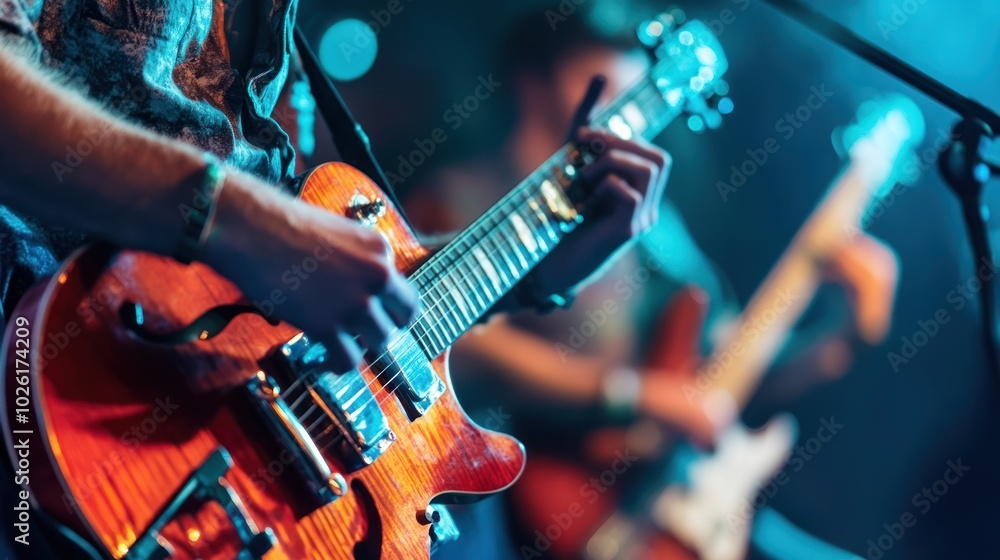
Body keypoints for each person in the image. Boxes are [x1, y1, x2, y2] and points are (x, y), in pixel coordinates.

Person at [0, 0, 675, 557]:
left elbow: (291, 271)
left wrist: (541, 268)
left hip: (220, 429)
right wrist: (243, 223)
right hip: (56, 374)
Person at [405, 9, 900, 560]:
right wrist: (635, 394)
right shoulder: (459, 194)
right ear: (531, 82)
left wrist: (842, 334)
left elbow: (722, 374)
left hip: (654, 490)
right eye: (602, 85)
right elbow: (442, 337)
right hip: (508, 493)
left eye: (634, 90)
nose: (628, 110)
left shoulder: (656, 229)